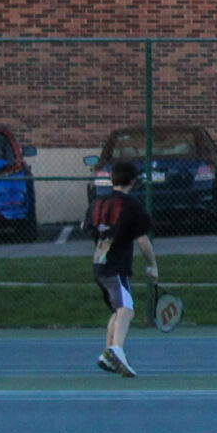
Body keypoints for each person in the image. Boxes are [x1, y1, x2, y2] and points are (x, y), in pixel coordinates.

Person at [86, 159, 157, 378]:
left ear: (111, 178)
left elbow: (86, 227)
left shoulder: (97, 202)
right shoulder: (131, 204)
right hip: (116, 266)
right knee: (127, 310)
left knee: (119, 311)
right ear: (134, 181)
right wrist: (153, 265)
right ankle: (117, 350)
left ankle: (107, 355)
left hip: (98, 265)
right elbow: (143, 240)